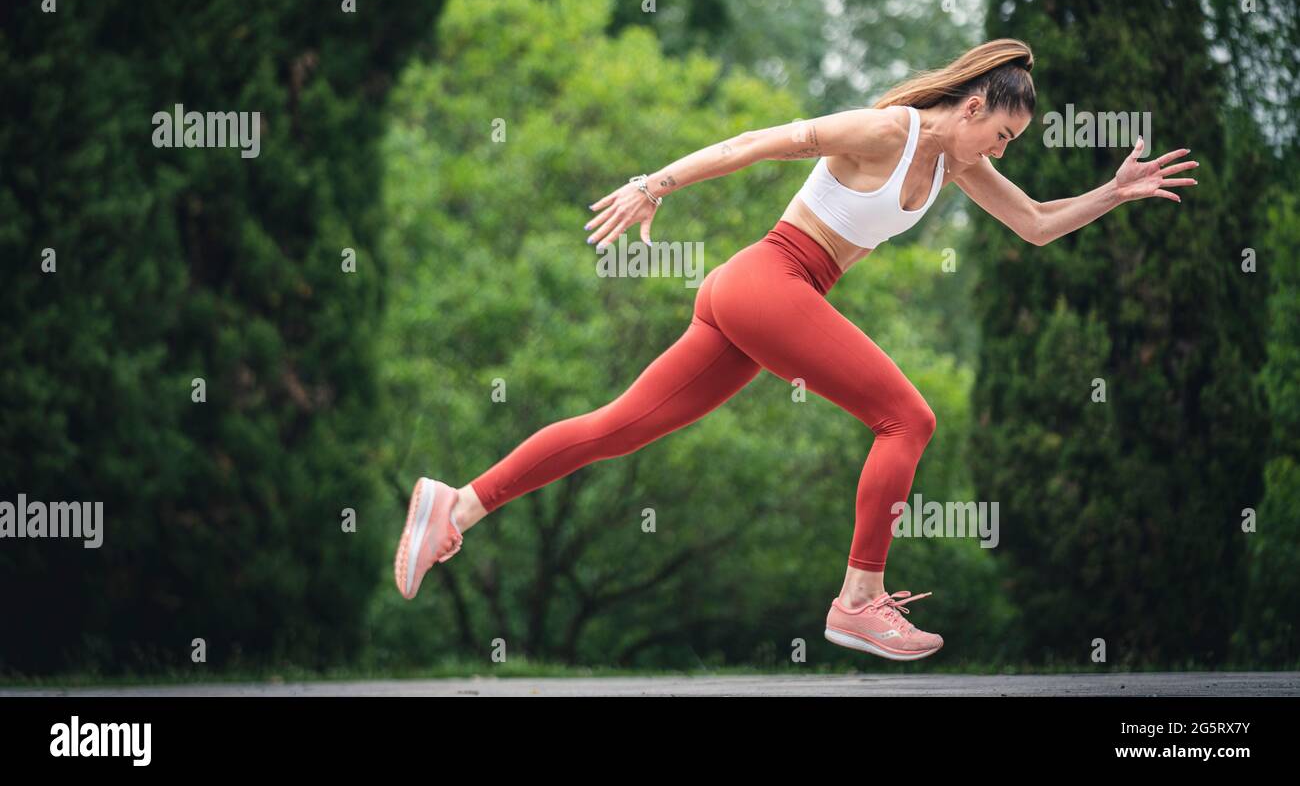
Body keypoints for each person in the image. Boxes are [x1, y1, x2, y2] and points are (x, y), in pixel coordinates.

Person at [393, 38, 1198, 660]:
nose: (1002, 151)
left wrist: (1113, 192)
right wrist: (653, 185)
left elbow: (1036, 224)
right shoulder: (887, 130)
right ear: (977, 102)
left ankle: (454, 504)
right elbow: (761, 140)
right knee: (908, 421)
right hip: (768, 280)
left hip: (758, 300)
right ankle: (858, 599)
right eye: (1004, 133)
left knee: (617, 427)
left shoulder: (956, 165)